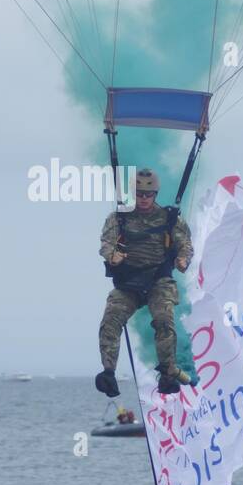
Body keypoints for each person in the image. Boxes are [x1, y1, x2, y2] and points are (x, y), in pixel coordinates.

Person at [96, 168, 193, 396]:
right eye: (139, 194)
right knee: (111, 319)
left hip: (158, 280)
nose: (144, 199)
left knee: (164, 320)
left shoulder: (170, 218)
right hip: (129, 282)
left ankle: (168, 374)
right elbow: (105, 243)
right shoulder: (119, 218)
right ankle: (108, 372)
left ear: (155, 194)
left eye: (148, 195)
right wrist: (112, 255)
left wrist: (183, 259)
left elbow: (185, 244)